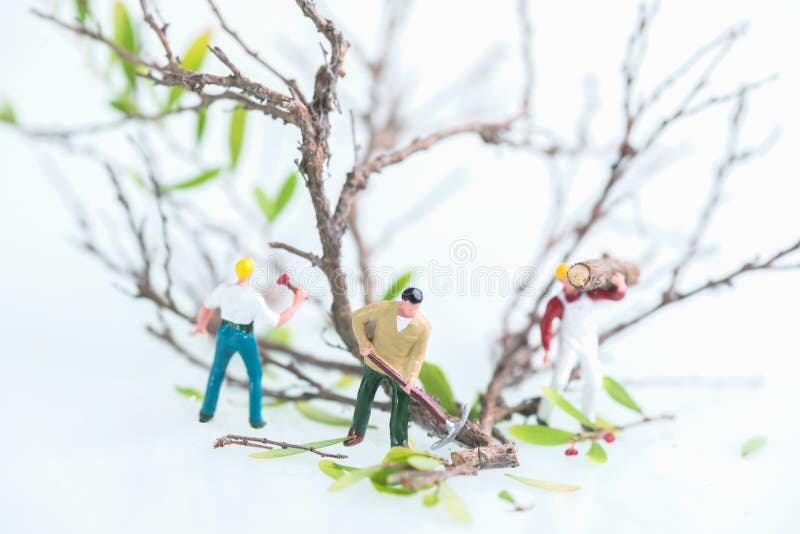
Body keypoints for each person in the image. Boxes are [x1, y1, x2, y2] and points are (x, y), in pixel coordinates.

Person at [192, 257, 306, 428]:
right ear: (251, 273)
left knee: (216, 373)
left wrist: (202, 325)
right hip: (244, 337)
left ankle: (206, 413)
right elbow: (277, 322)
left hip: (224, 333)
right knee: (255, 376)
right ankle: (255, 419)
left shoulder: (224, 289)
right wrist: (296, 304)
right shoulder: (253, 297)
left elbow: (206, 306)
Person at [536, 263, 626, 427]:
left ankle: (588, 419)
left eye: (572, 278)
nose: (570, 282)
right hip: (569, 342)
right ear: (561, 282)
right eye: (565, 280)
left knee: (594, 380)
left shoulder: (590, 294)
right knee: (559, 380)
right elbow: (546, 324)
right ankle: (543, 416)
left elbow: (613, 296)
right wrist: (547, 347)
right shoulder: (557, 302)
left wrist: (620, 286)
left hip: (589, 342)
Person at [344, 287, 430, 447]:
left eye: (418, 306)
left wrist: (411, 378)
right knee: (364, 397)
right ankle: (357, 431)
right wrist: (364, 343)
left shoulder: (423, 326)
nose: (415, 310)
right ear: (404, 302)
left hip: (400, 371)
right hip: (375, 361)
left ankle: (399, 441)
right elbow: (357, 317)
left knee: (402, 406)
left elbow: (417, 355)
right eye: (412, 306)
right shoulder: (384, 309)